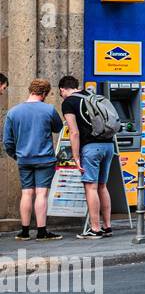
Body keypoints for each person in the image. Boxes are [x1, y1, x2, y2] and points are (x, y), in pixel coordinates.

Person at [2, 79, 65, 241]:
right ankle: (42, 231)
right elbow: (58, 128)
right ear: (44, 93)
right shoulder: (49, 110)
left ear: (30, 90)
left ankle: (24, 232)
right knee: (41, 194)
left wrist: (17, 155)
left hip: (24, 159)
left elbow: (7, 141)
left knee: (27, 193)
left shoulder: (13, 112)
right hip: (45, 159)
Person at [58, 76, 117, 239]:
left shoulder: (68, 102)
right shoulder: (92, 96)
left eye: (60, 93)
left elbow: (74, 132)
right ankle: (107, 226)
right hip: (109, 145)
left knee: (91, 187)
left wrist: (75, 156)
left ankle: (95, 229)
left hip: (91, 148)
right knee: (102, 186)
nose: (62, 96)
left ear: (62, 89)